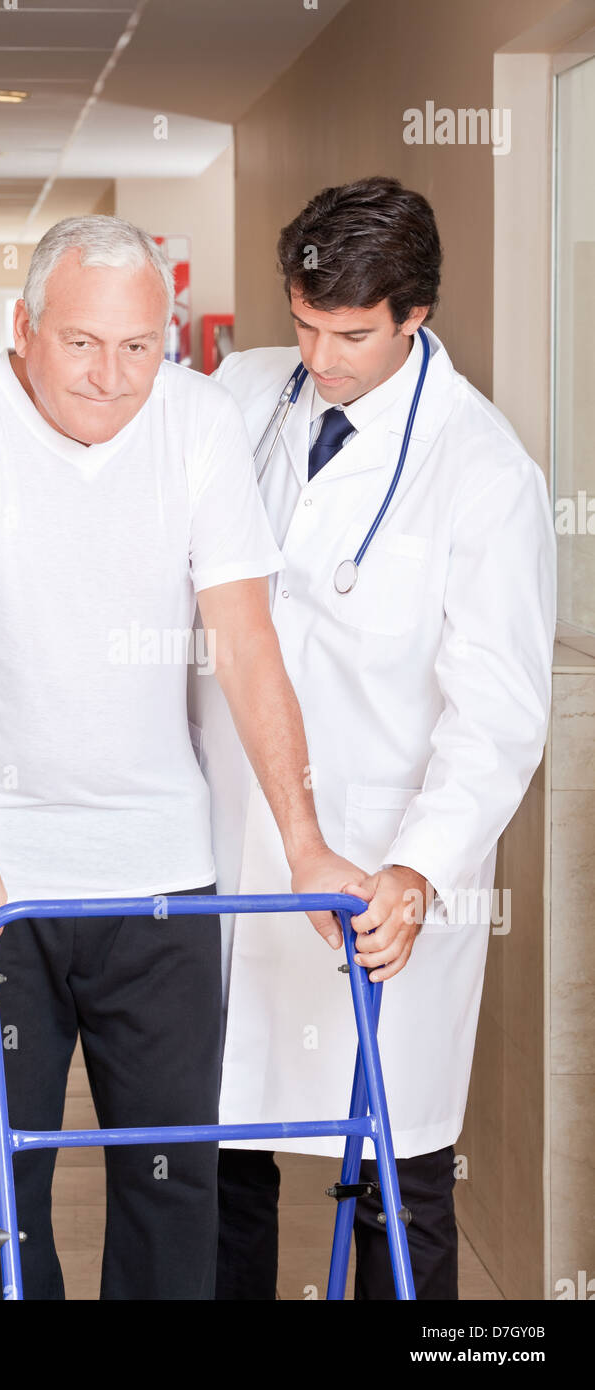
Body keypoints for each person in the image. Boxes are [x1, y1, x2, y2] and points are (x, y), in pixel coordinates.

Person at [0, 214, 365, 1301]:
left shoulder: (195, 424)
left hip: (158, 875)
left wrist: (306, 843)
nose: (109, 376)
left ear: (167, 340)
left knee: (171, 1180)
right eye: (81, 343)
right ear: (24, 327)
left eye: (139, 346)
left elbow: (245, 643)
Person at [194, 176, 556, 1300]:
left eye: (349, 334)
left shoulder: (484, 472)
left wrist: (415, 865)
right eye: (302, 323)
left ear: (414, 316)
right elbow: (108, 418)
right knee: (223, 1158)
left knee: (399, 1171)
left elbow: (496, 711)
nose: (319, 355)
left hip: (374, 866)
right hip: (233, 846)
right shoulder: (244, 391)